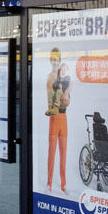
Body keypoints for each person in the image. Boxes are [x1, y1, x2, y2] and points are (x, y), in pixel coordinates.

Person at [45, 47, 71, 194]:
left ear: (59, 61)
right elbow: (52, 101)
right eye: (53, 60)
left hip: (64, 117)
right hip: (55, 118)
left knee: (63, 152)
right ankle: (49, 183)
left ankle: (63, 183)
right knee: (52, 151)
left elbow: (68, 94)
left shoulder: (64, 75)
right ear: (50, 61)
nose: (55, 62)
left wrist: (66, 94)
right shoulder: (50, 78)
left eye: (57, 60)